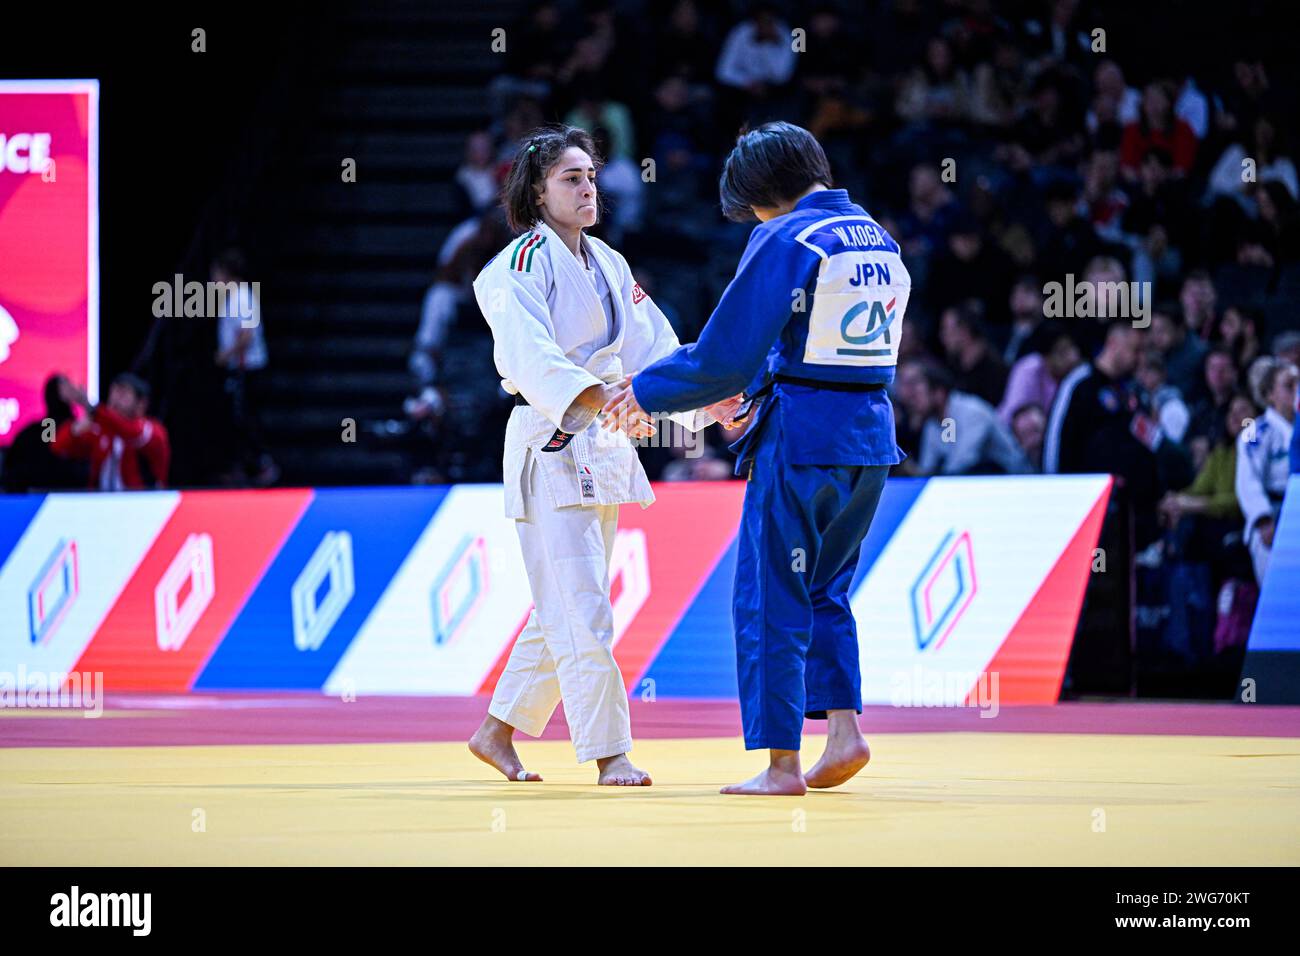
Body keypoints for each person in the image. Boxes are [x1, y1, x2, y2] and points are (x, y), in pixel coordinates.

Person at [606, 122, 907, 796]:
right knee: (826, 588)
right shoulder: (878, 238)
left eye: (751, 207)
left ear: (763, 192)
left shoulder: (787, 236)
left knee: (772, 595)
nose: (754, 220)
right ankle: (845, 733)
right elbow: (823, 343)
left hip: (802, 440)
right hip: (869, 437)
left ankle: (781, 765)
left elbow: (724, 357)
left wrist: (646, 391)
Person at [466, 125, 731, 787]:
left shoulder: (609, 263)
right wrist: (601, 397)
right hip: (551, 441)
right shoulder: (516, 267)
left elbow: (656, 347)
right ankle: (611, 752)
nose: (588, 188)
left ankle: (496, 730)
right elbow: (532, 360)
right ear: (537, 192)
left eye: (590, 176)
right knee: (583, 606)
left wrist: (710, 398)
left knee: (564, 602)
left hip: (604, 442)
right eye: (571, 178)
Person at [1235, 356, 1297, 585]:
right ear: (1270, 394)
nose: (1297, 390)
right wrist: (1262, 518)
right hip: (1274, 518)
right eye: (1289, 385)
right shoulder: (1254, 430)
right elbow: (1247, 479)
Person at [51, 373, 170, 490]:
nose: (115, 398)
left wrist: (92, 407)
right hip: (102, 499)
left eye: (122, 393)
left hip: (145, 499)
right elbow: (58, 447)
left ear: (141, 404)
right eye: (113, 392)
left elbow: (130, 432)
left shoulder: (153, 430)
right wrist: (76, 428)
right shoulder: (102, 430)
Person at [0, 373, 88, 492]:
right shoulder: (49, 424)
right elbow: (48, 455)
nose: (71, 387)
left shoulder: (77, 423)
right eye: (65, 384)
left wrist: (84, 402)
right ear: (55, 391)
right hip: (46, 488)